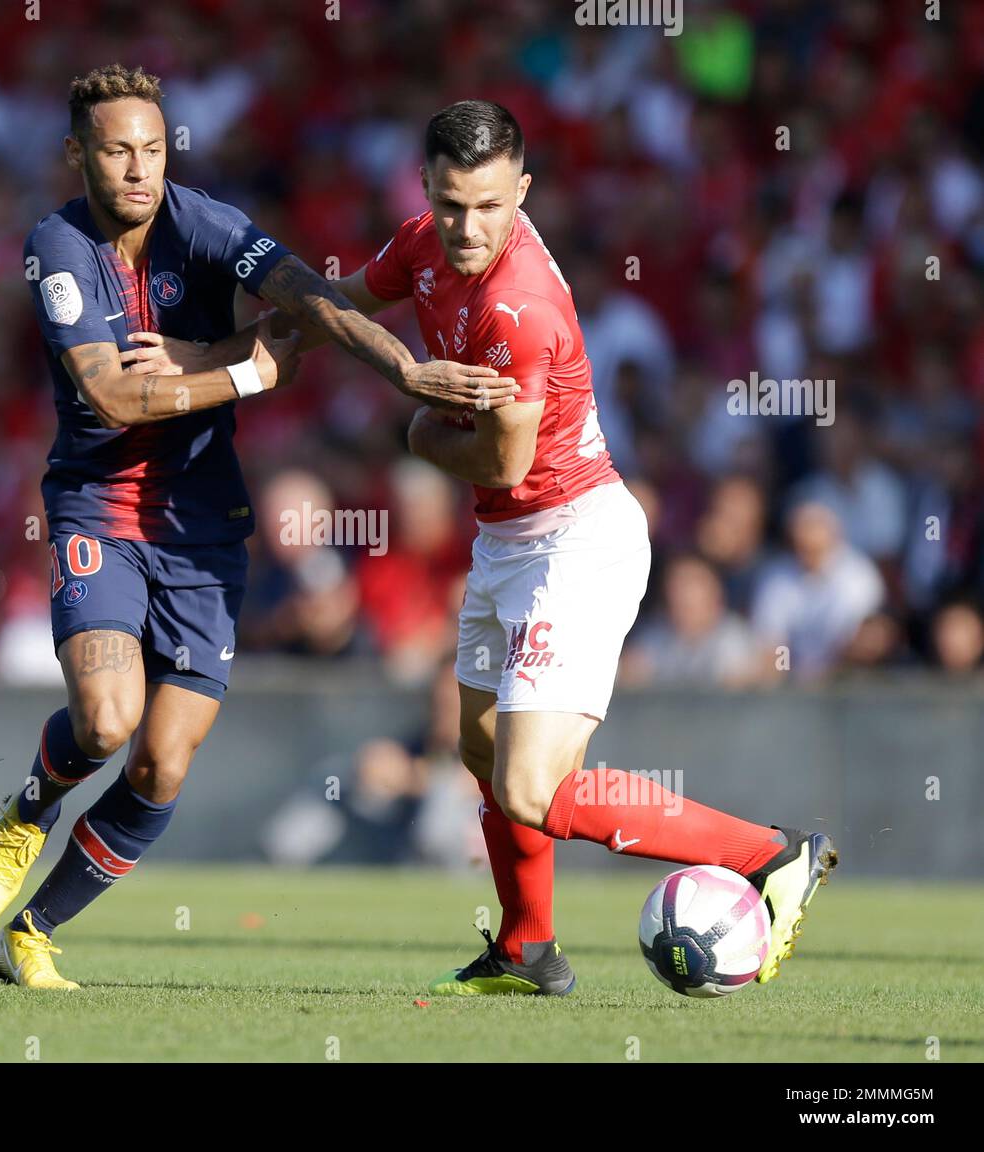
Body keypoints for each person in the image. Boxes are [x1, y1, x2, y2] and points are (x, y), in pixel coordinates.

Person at [272, 99, 838, 995]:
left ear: (522, 191)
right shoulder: (422, 240)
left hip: (576, 538)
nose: (467, 226)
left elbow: (503, 457)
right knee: (482, 752)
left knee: (532, 788)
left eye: (490, 206)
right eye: (453, 203)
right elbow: (346, 303)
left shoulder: (520, 306)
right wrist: (260, 326)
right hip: (507, 543)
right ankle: (526, 945)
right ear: (427, 187)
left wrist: (419, 437)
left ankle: (768, 855)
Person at [0, 65, 515, 990]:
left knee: (162, 763)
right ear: (76, 154)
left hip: (201, 522)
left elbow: (306, 296)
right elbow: (110, 394)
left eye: (152, 147)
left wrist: (407, 373)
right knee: (105, 723)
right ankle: (30, 806)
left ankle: (31, 935)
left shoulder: (206, 224)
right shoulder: (55, 246)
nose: (140, 168)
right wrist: (246, 373)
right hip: (99, 505)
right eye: (115, 150)